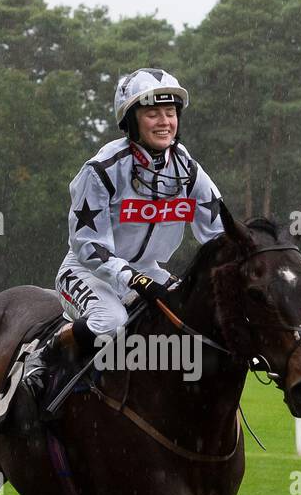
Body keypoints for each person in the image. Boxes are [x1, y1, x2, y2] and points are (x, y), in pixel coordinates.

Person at [28, 67, 226, 416]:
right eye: (152, 113)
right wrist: (130, 277)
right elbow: (87, 244)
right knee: (111, 322)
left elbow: (220, 235)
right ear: (132, 121)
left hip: (150, 272)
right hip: (89, 272)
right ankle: (45, 353)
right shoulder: (102, 168)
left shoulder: (188, 170)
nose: (164, 121)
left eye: (170, 113)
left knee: (194, 319)